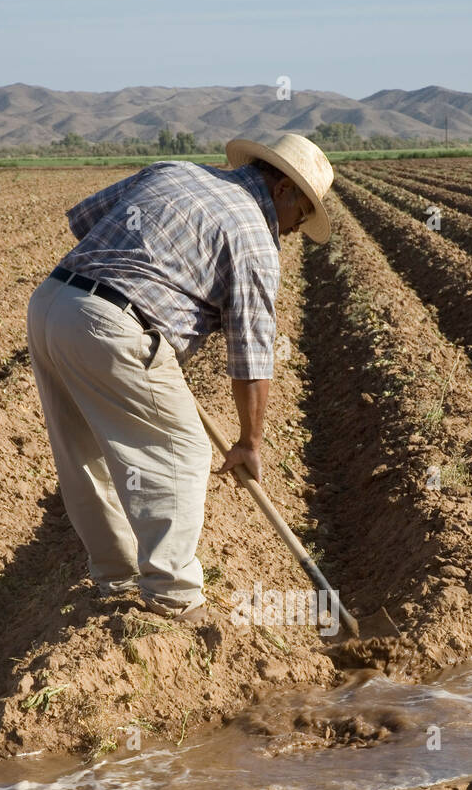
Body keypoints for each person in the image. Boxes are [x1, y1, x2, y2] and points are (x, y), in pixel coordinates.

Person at [26, 134, 334, 624]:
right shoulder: (255, 236)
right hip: (115, 326)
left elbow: (84, 225)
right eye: (303, 213)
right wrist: (249, 443)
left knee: (82, 451)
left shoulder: (176, 170)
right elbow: (252, 354)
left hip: (52, 304)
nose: (297, 228)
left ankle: (115, 579)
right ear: (283, 189)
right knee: (183, 450)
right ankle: (174, 595)